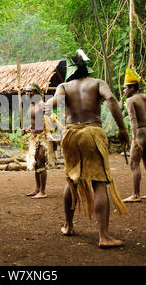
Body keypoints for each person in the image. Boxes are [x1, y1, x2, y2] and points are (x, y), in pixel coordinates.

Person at [45, 49, 129, 248]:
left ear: (71, 70)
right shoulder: (98, 83)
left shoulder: (64, 86)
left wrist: (55, 128)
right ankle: (104, 236)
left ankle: (68, 225)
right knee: (99, 183)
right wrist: (122, 128)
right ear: (87, 68)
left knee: (71, 179)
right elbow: (111, 100)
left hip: (71, 134)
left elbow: (49, 105)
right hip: (92, 132)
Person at [122, 68, 146, 203]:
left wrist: (133, 138)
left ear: (132, 88)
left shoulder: (131, 100)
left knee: (134, 164)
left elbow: (133, 119)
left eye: (125, 88)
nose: (124, 90)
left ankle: (136, 194)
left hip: (140, 135)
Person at [23, 83, 56, 199]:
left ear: (36, 92)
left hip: (43, 138)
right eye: (26, 91)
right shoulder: (31, 105)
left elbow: (51, 121)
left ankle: (43, 191)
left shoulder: (42, 105)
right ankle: (37, 189)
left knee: (41, 163)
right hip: (35, 137)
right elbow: (34, 122)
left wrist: (50, 137)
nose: (27, 93)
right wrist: (28, 129)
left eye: (29, 91)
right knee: (36, 163)